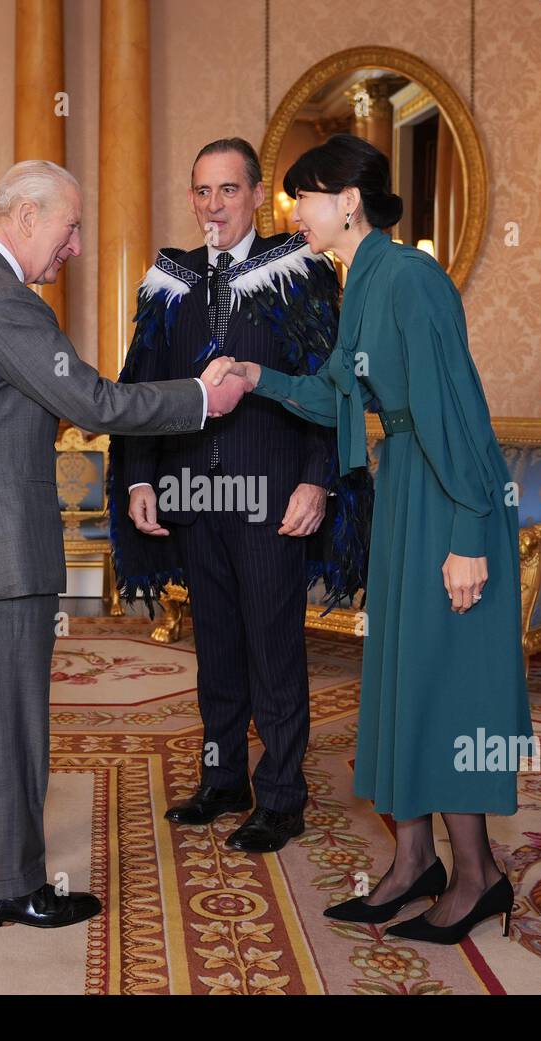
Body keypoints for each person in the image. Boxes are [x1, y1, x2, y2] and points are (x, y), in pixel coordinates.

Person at [0, 160, 250, 930]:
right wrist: (201, 398)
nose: (75, 245)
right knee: (7, 719)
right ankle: (4, 884)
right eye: (69, 226)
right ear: (23, 217)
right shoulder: (5, 304)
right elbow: (94, 401)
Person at [206, 134, 533, 944]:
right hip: (411, 488)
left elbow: (459, 408)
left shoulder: (412, 278)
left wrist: (467, 534)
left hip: (451, 493)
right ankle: (412, 861)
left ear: (347, 199)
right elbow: (334, 395)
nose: (294, 216)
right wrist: (254, 375)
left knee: (449, 682)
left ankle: (478, 875)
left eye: (302, 201)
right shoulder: (362, 281)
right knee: (400, 678)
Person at [109, 138, 372, 852]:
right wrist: (140, 477)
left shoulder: (301, 273)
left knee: (274, 648)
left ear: (258, 196)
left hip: (272, 496)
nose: (213, 204)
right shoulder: (168, 279)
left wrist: (318, 479)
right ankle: (222, 779)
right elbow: (142, 389)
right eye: (201, 191)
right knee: (218, 650)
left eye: (228, 189)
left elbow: (331, 388)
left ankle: (282, 796)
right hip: (192, 495)